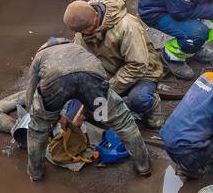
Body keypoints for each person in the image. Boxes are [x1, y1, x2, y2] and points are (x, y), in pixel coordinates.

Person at [23, 38, 151, 182]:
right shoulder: (77, 48)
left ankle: (36, 173)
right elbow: (97, 78)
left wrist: (45, 117)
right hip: (92, 76)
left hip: (56, 82)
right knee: (123, 121)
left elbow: (30, 95)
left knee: (37, 130)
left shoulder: (40, 56)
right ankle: (143, 167)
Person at [65, 0, 167, 129]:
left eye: (87, 29)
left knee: (138, 99)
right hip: (109, 72)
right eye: (80, 31)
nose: (84, 34)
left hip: (142, 72)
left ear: (96, 15)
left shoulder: (127, 26)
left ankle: (152, 104)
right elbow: (80, 59)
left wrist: (108, 90)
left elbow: (137, 65)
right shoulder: (82, 26)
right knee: (81, 106)